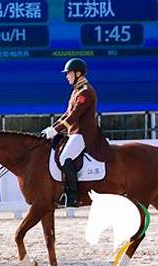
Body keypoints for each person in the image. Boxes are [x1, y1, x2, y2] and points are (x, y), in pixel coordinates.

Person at [41, 58, 113, 207]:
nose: (67, 76)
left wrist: (56, 130)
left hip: (84, 134)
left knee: (65, 157)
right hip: (74, 132)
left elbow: (74, 115)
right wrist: (52, 127)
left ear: (78, 73)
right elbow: (67, 114)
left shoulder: (85, 92)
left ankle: (72, 195)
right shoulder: (76, 91)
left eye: (69, 73)